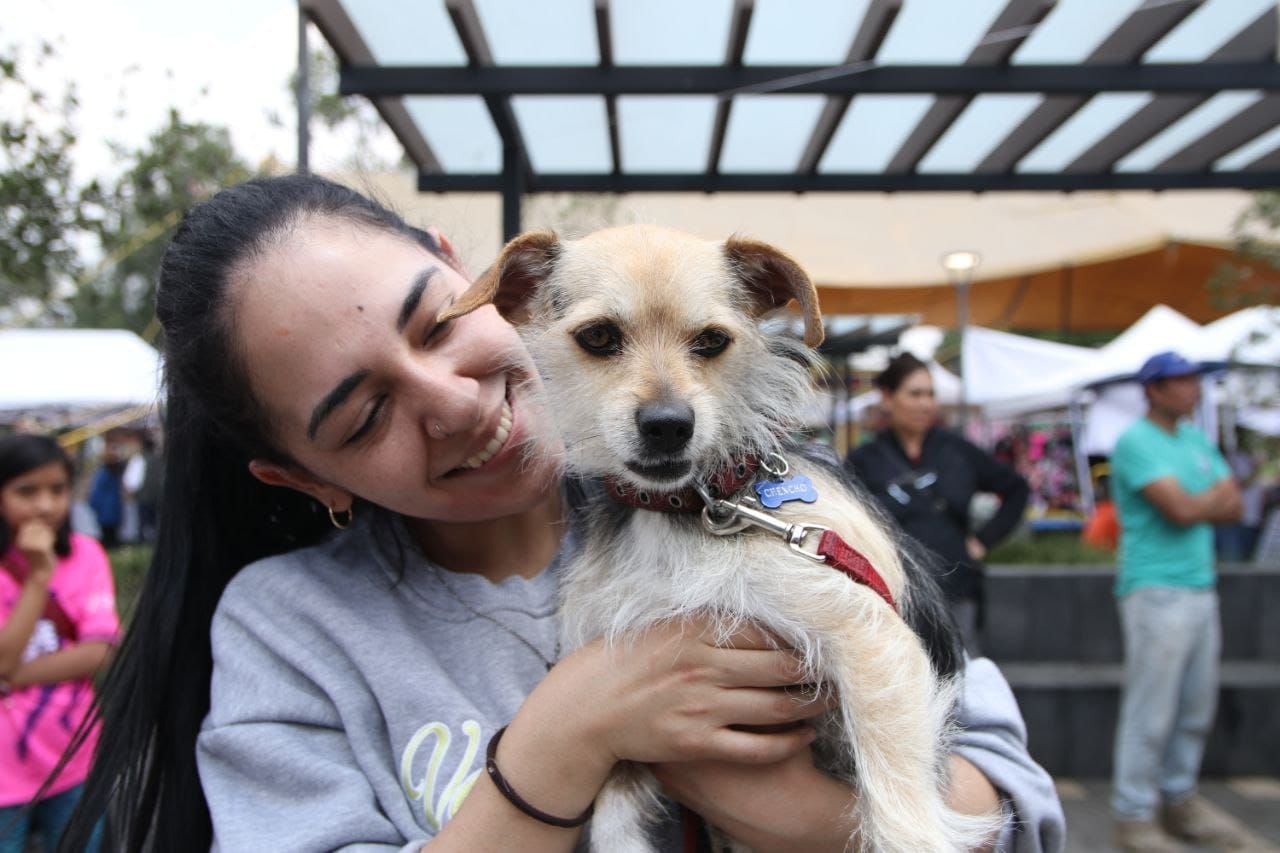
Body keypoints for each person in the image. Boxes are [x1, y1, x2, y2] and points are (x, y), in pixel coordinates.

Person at [63, 175, 1064, 852]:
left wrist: (796, 813)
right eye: (366, 415)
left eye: (434, 324)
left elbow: (1004, 784)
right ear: (299, 476)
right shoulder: (288, 630)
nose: (455, 403)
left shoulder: (752, 498)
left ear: (485, 283)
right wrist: (568, 734)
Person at [1108, 351, 1250, 853]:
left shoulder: (1194, 439)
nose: (1194, 388)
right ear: (1154, 389)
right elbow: (1184, 509)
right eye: (1182, 380)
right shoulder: (1135, 441)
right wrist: (1207, 500)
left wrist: (1200, 503)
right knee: (1151, 710)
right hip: (1155, 590)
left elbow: (1236, 505)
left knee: (1194, 707)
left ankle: (1178, 799)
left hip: (1199, 586)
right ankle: (1133, 813)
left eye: (1194, 379)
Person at [845, 353, 1030, 654]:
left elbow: (1016, 489)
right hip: (895, 597)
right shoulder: (865, 460)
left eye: (930, 394)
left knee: (962, 672)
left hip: (956, 590)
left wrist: (983, 540)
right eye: (915, 394)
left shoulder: (956, 450)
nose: (926, 404)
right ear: (888, 398)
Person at [0, 434, 118, 853]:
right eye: (26, 491)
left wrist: (12, 676)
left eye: (58, 490)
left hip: (74, 755)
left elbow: (99, 652)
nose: (45, 505)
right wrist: (38, 576)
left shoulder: (86, 555)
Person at [85, 446, 124, 549]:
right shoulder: (115, 474)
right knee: (113, 537)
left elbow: (96, 493)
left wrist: (93, 505)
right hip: (114, 510)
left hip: (104, 511)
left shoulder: (102, 474)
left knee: (107, 537)